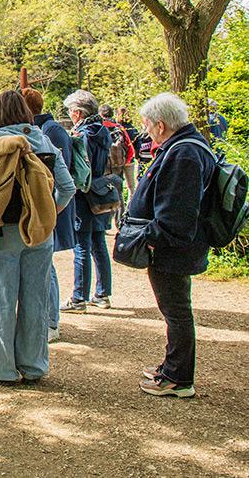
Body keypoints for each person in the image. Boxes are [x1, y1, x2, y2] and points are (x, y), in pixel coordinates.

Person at [0, 90, 75, 384]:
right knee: (35, 301)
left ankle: (3, 369)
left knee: (0, 301)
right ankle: (34, 366)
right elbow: (67, 187)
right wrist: (46, 215)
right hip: (38, 234)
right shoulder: (44, 142)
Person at [128, 93, 215, 397]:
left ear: (161, 125)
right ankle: (172, 367)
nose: (147, 131)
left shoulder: (184, 154)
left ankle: (178, 378)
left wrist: (153, 239)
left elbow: (177, 210)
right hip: (175, 246)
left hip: (173, 249)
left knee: (176, 311)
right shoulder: (186, 147)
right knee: (173, 310)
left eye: (147, 125)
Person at [22, 88, 75, 343]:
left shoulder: (46, 133)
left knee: (47, 270)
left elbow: (65, 184)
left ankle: (51, 321)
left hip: (41, 214)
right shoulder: (49, 130)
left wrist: (50, 210)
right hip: (40, 213)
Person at [61, 90, 114, 312]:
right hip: (101, 190)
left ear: (78, 112)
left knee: (81, 246)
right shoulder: (103, 131)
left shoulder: (82, 135)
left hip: (84, 195)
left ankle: (79, 298)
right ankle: (102, 294)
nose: (70, 115)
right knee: (99, 244)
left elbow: (80, 169)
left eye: (71, 111)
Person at [99, 104, 135, 229]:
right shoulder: (119, 128)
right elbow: (129, 147)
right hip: (118, 166)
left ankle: (104, 223)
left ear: (101, 114)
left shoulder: (99, 128)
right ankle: (119, 223)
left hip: (103, 166)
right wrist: (126, 161)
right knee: (118, 194)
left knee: (102, 193)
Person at [116, 107, 141, 208]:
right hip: (130, 160)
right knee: (131, 187)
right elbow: (138, 144)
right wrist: (137, 156)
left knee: (118, 187)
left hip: (118, 160)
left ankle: (120, 210)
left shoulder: (117, 128)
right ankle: (131, 207)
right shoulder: (132, 129)